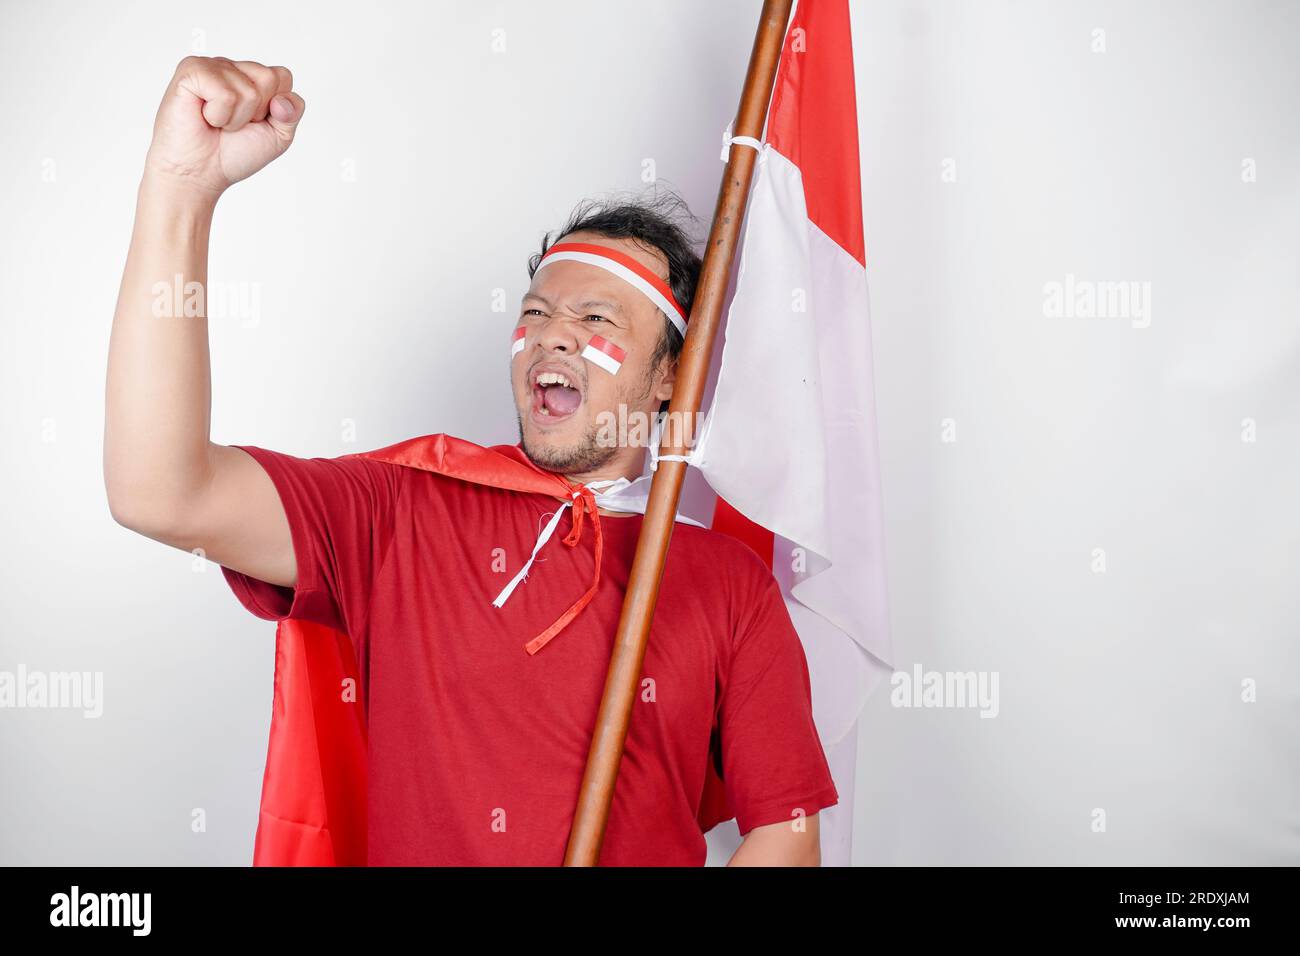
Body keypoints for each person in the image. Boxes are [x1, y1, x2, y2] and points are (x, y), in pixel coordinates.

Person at [104, 56, 838, 866]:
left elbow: (787, 826)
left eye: (596, 318)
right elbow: (160, 493)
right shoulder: (400, 510)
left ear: (672, 375)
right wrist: (181, 189)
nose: (553, 335)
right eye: (536, 312)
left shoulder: (730, 583)